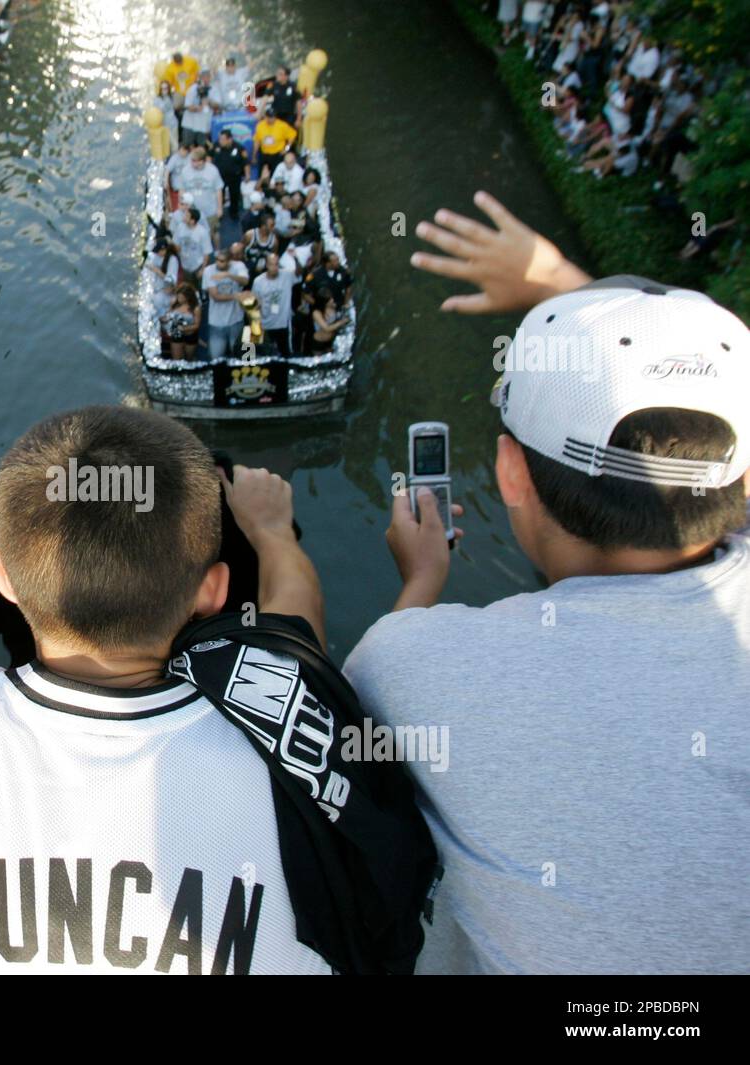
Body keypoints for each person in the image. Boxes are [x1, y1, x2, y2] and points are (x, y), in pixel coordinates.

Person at [343, 190, 750, 974]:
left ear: (509, 474)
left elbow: (359, 719)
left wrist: (422, 580)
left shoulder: (416, 660)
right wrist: (567, 282)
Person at [0, 406, 332, 974]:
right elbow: (297, 624)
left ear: (1, 578)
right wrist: (270, 531)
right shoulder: (277, 719)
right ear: (213, 590)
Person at [201, 248, 249, 359]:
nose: (219, 263)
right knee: (216, 357)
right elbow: (215, 296)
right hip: (216, 322)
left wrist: (228, 275)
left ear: (229, 261)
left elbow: (245, 281)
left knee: (239, 356)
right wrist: (235, 296)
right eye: (217, 260)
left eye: (222, 261)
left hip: (236, 320)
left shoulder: (238, 266)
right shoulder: (209, 271)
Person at [249, 252, 297, 357]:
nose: (274, 267)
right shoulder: (258, 281)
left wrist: (296, 259)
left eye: (276, 264)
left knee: (285, 353)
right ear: (266, 265)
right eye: (271, 264)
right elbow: (253, 304)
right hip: (265, 323)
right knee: (265, 355)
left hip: (283, 323)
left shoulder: (287, 276)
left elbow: (299, 274)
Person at [211, 129, 248, 221]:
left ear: (230, 139)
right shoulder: (216, 146)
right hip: (220, 177)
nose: (221, 141)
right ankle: (220, 213)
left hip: (234, 177)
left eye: (223, 139)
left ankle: (234, 213)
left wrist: (247, 174)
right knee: (219, 195)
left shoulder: (239, 148)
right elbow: (209, 156)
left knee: (234, 195)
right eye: (220, 139)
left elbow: (246, 162)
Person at [253, 105, 297, 180]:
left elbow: (292, 136)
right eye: (269, 117)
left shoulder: (282, 125)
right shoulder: (260, 126)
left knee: (276, 176)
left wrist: (286, 148)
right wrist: (254, 154)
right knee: (262, 176)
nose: (270, 119)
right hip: (264, 154)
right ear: (265, 117)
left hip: (277, 155)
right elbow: (257, 140)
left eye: (272, 117)